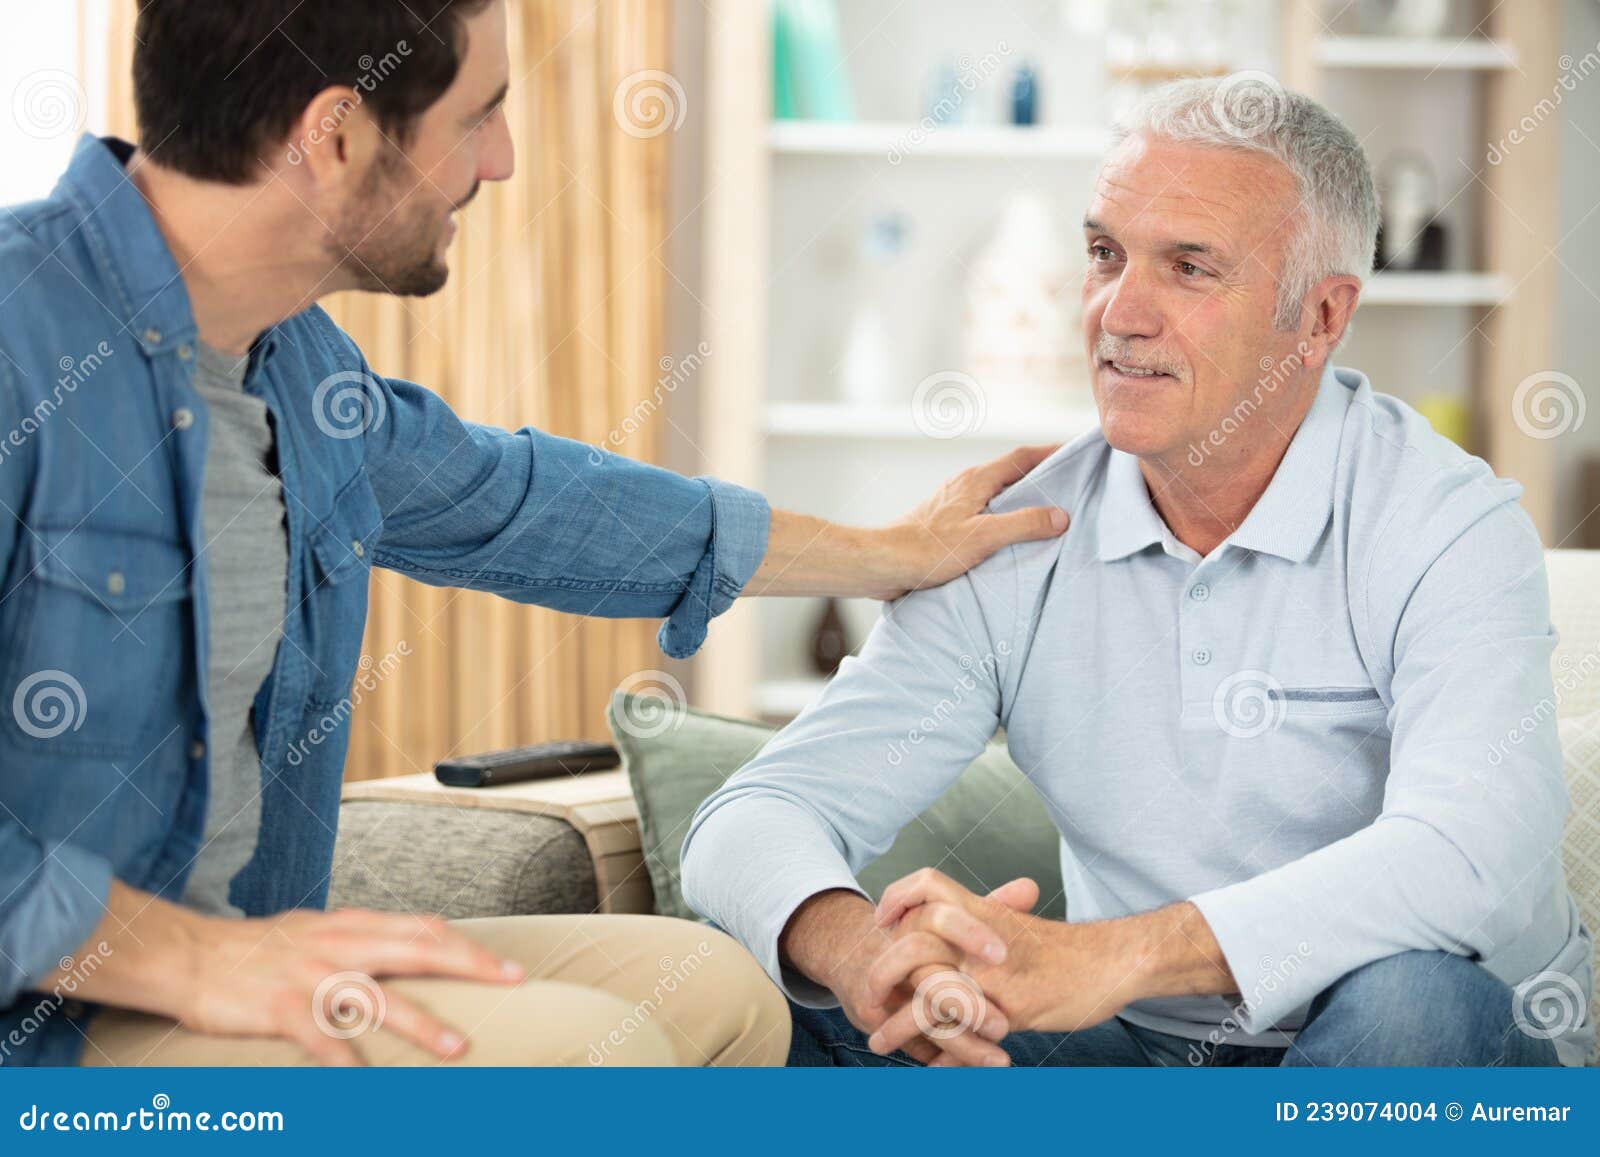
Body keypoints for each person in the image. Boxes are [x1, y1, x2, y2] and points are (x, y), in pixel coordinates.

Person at [0, 0, 1071, 1067]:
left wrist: (894, 553)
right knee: (597, 1054)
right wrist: (191, 961)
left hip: (245, 961)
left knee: (722, 993)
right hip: (58, 1028)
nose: (502, 160)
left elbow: (531, 505)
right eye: (479, 117)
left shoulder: (298, 367)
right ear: (334, 135)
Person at [681, 76, 1595, 1068]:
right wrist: (870, 957)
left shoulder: (1442, 521)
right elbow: (754, 815)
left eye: (1189, 267)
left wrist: (1111, 955)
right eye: (1105, 254)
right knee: (786, 989)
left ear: (1321, 316)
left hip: (1416, 1048)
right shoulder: (1018, 532)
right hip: (1141, 1057)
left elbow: (1472, 858)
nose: (1120, 312)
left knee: (1415, 998)